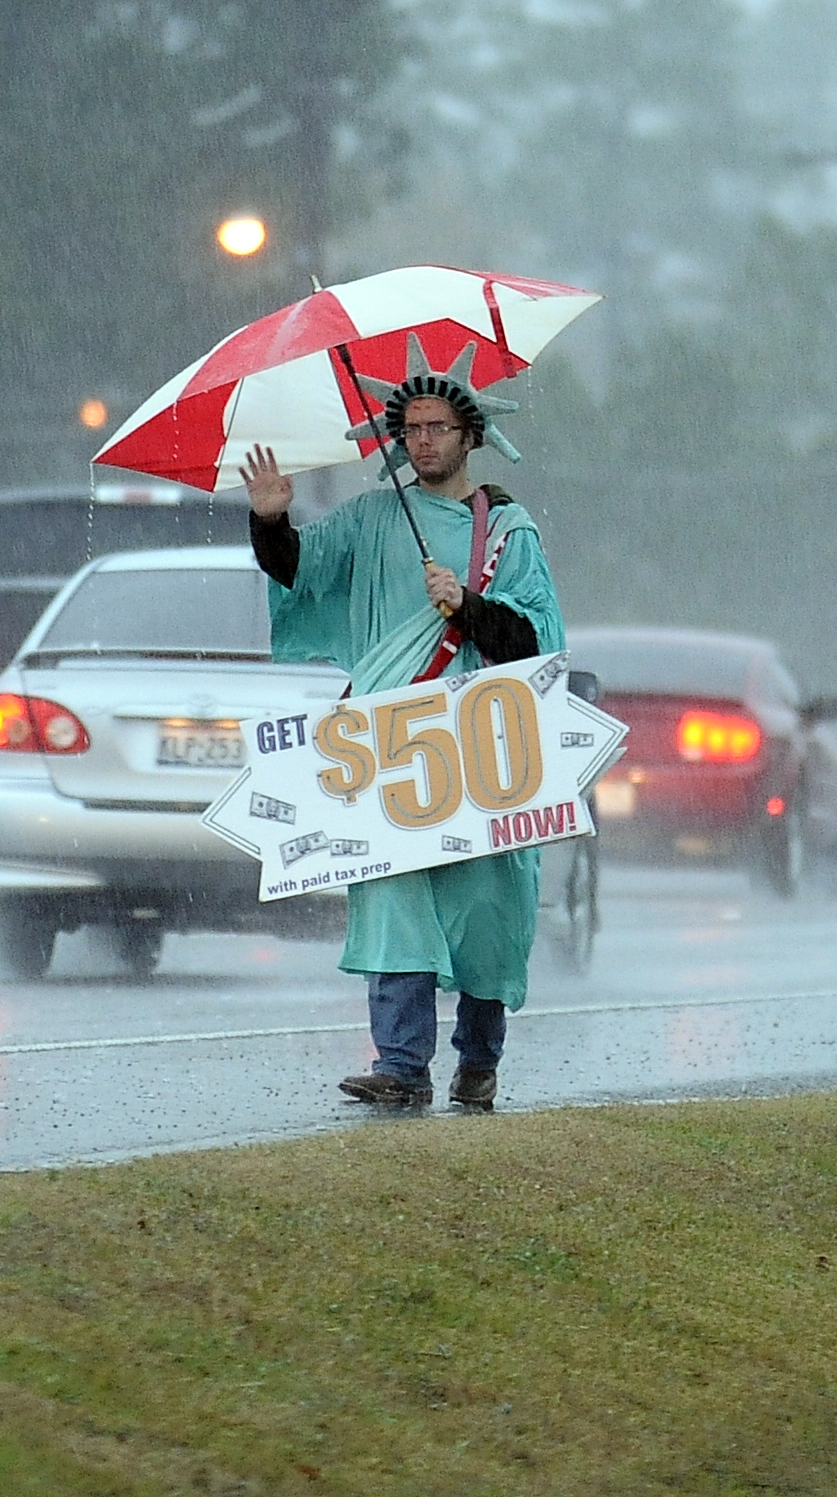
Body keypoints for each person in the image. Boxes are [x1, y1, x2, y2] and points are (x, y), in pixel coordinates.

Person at [240, 334, 565, 1111]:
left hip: (478, 745)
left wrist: (469, 605)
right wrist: (271, 522)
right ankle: (401, 1063)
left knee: (485, 908)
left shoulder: (508, 530)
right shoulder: (370, 518)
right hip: (386, 741)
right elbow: (301, 570)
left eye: (437, 428)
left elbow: (536, 641)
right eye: (412, 429)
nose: (422, 441)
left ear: (470, 435)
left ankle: (478, 1059)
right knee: (390, 898)